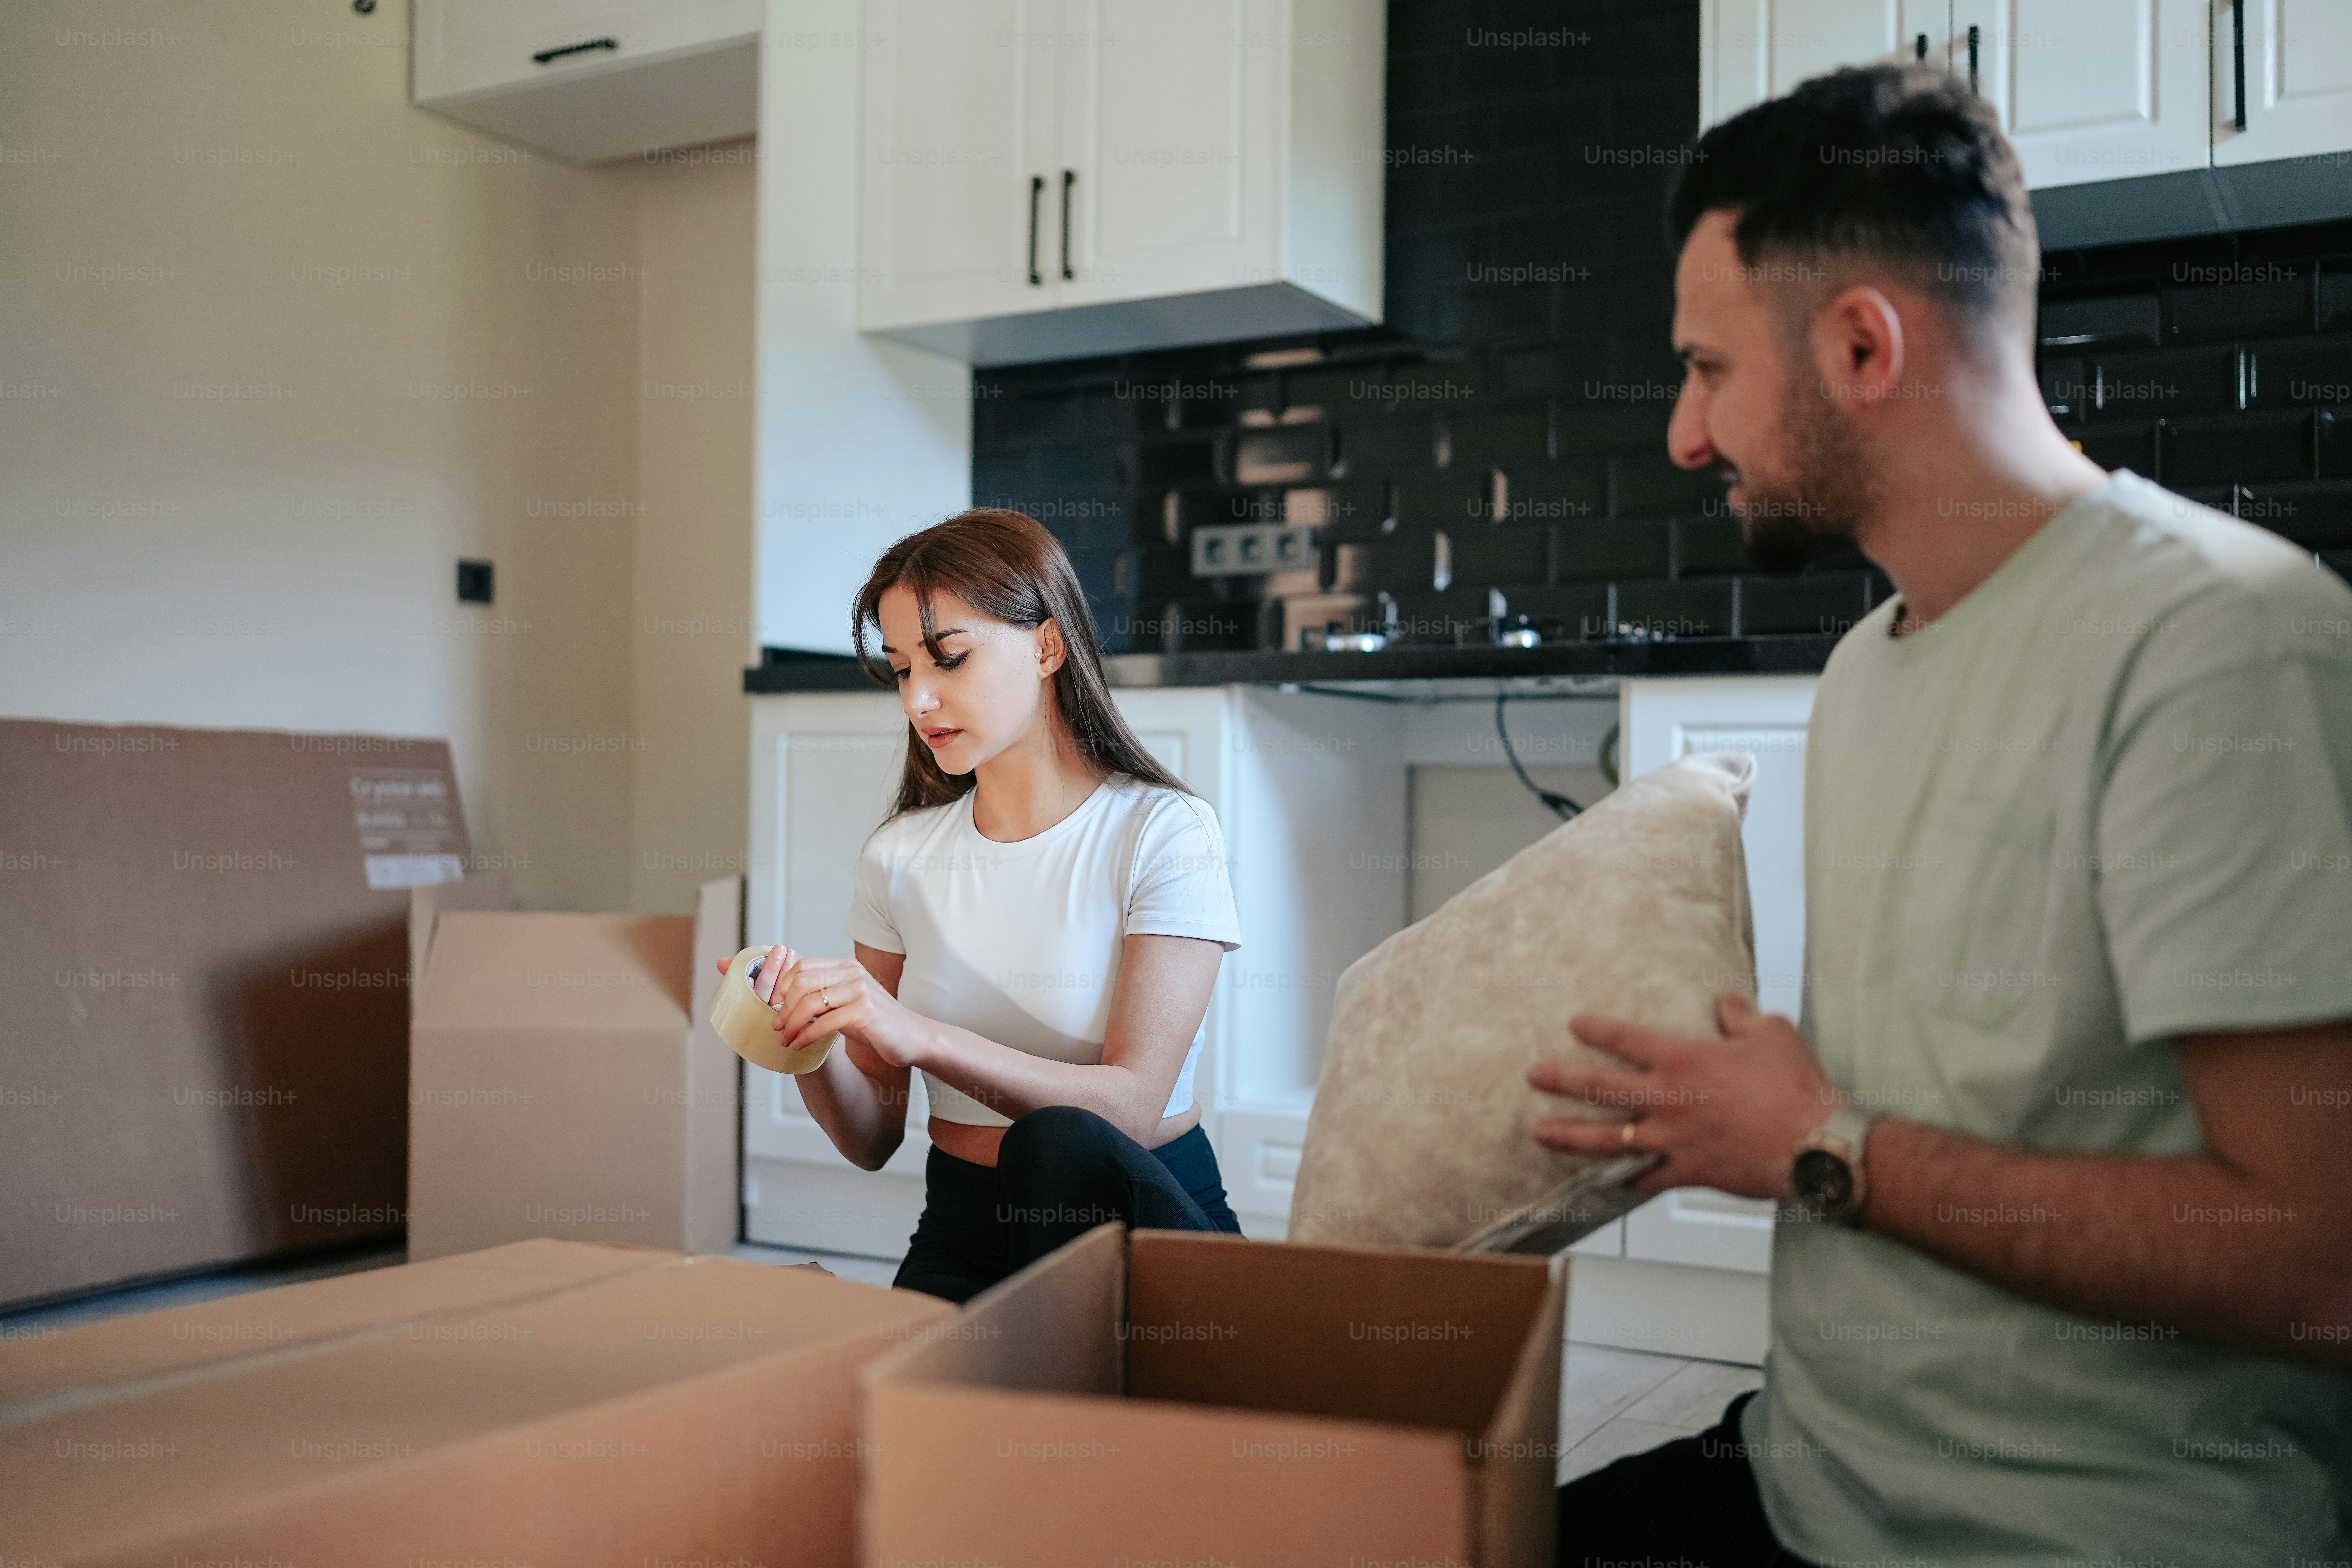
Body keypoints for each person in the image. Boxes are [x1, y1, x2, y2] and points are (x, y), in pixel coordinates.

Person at [1534, 64, 2352, 1566]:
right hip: (1806, 1470)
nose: (1683, 436)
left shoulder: (2225, 645)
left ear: (1860, 345)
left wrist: (1819, 1141)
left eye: (1708, 368)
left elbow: (2316, 1261)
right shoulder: (1868, 663)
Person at [720, 508, 1245, 1303]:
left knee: (1059, 1138)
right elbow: (872, 1139)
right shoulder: (899, 856)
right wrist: (803, 1038)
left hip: (1139, 1224)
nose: (919, 699)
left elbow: (1132, 1110)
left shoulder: (1164, 831)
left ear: (1047, 645)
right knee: (880, 1413)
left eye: (949, 659)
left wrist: (919, 1035)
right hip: (964, 1225)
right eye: (901, 669)